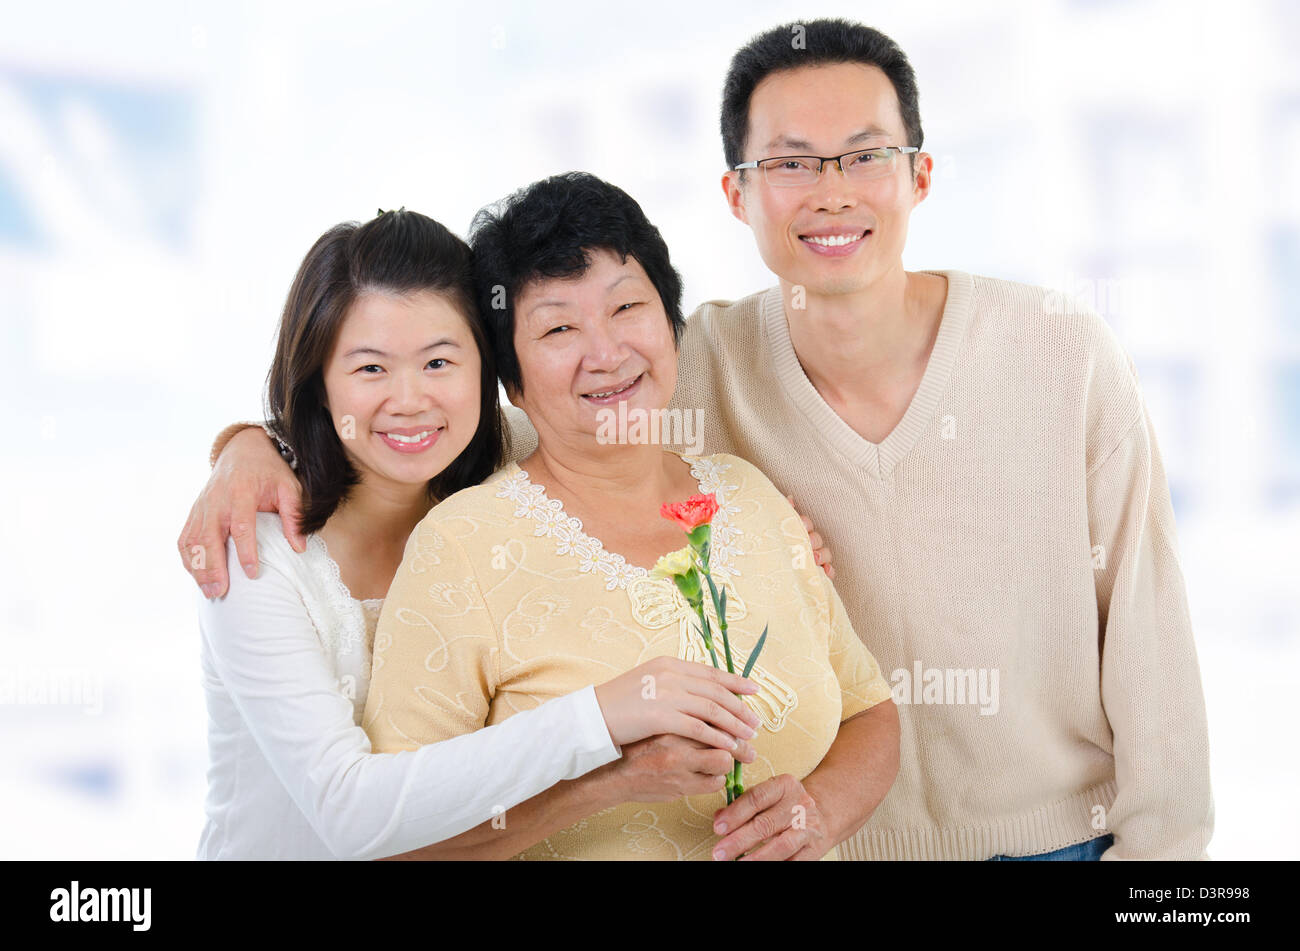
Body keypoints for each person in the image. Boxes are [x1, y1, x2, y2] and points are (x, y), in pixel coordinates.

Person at [182, 17, 1213, 861]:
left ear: (920, 174)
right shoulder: (499, 507)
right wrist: (257, 441)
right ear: (738, 193)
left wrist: (1166, 870)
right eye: (791, 162)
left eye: (864, 155)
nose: (832, 190)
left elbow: (1119, 634)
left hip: (1060, 846)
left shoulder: (1046, 356)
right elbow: (444, 420)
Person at [193, 208, 763, 860]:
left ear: (489, 370)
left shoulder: (501, 477)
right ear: (319, 383)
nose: (410, 401)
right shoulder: (255, 554)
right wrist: (601, 719)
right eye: (370, 369)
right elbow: (350, 813)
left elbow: (625, 447)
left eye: (439, 361)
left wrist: (766, 530)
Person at [359, 173, 898, 861]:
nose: (606, 353)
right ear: (513, 380)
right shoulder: (461, 547)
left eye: (627, 308)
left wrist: (820, 809)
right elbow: (389, 841)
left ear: (672, 326)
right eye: (558, 327)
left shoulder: (748, 494)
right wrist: (608, 782)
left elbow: (870, 710)